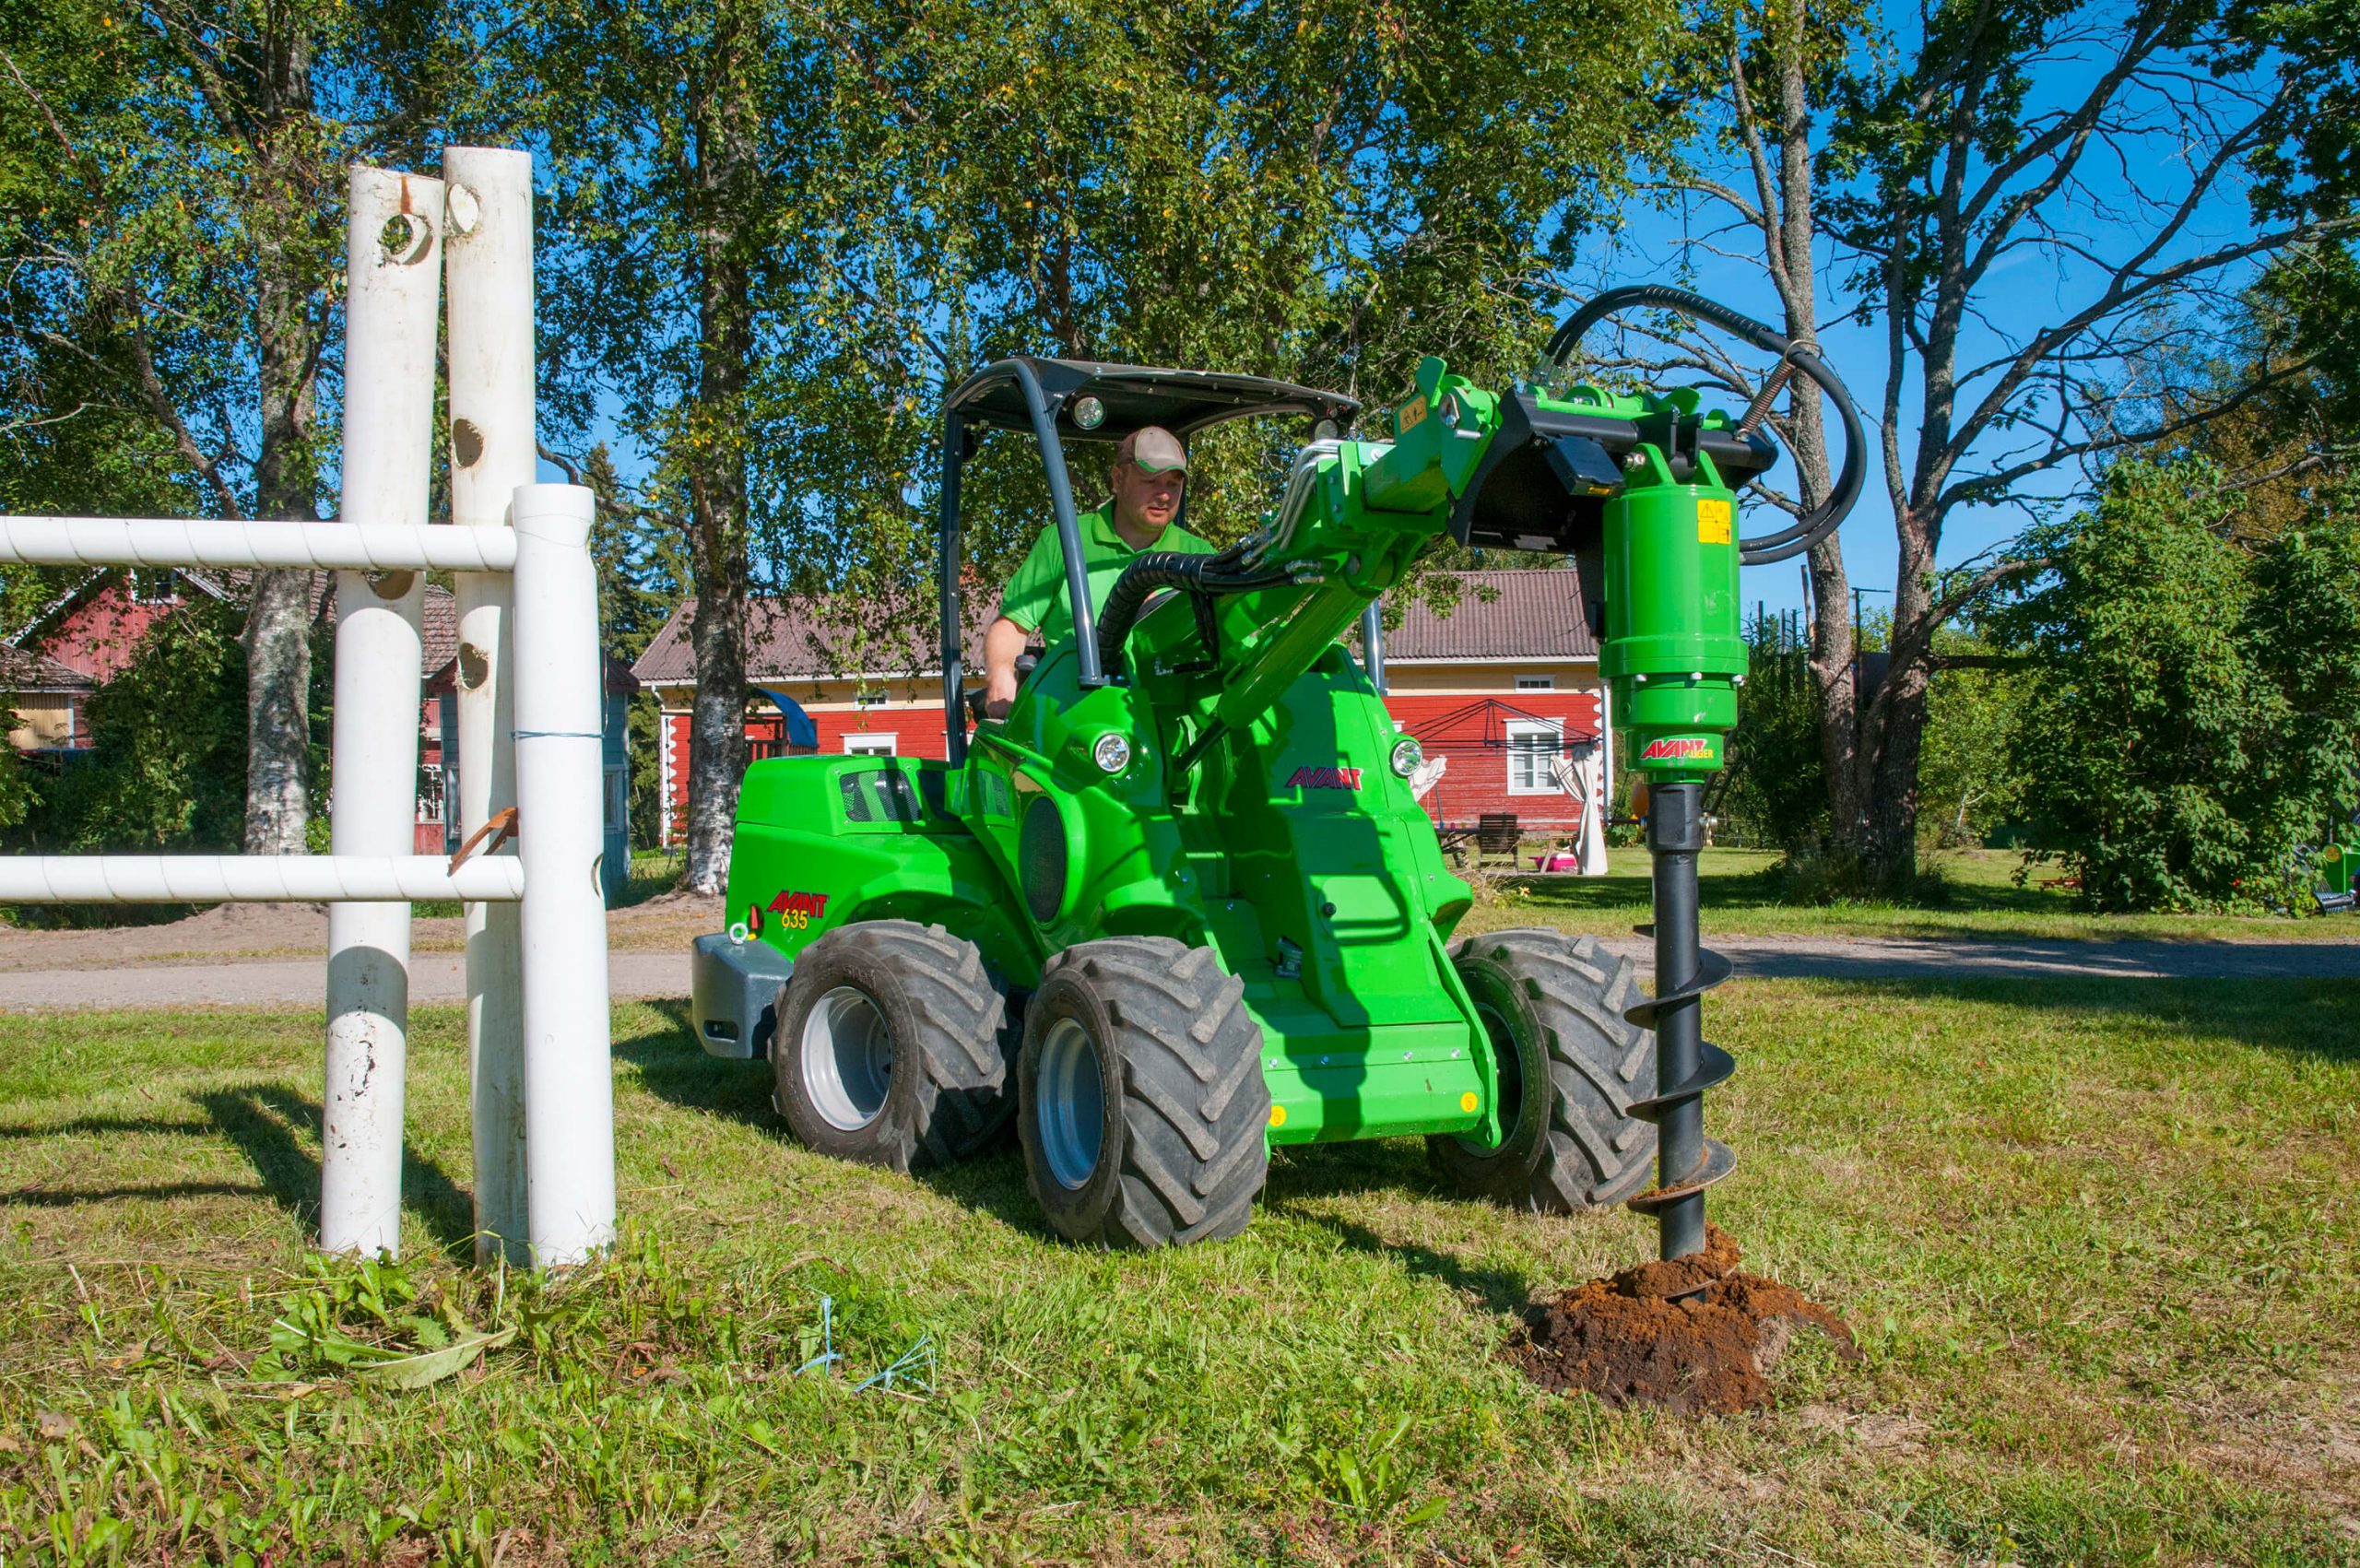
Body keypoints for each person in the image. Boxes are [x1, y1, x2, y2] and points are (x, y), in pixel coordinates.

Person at [982, 425, 1214, 717]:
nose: (1164, 495)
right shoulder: (1063, 541)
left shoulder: (1199, 556)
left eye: (1173, 484)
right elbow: (1013, 624)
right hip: (1076, 716)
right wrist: (1002, 685)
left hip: (1174, 721)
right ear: (1118, 479)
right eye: (1151, 481)